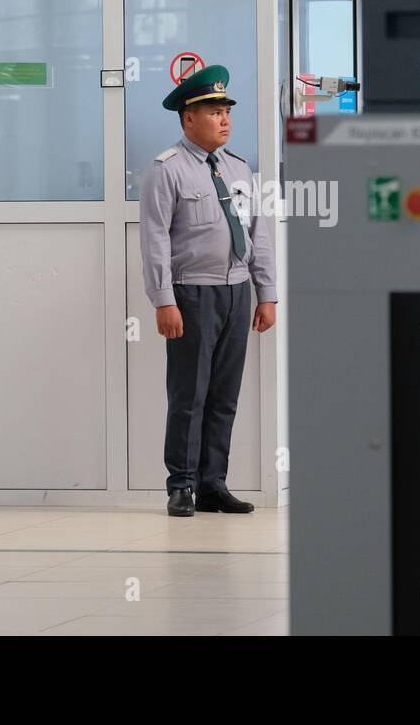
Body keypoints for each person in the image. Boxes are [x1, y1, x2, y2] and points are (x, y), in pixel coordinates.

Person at [139, 65, 278, 517]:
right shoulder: (167, 171)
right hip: (191, 296)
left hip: (237, 294)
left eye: (226, 111)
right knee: (189, 395)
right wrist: (164, 300)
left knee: (224, 395)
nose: (224, 119)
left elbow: (259, 233)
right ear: (187, 119)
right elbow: (155, 238)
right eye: (214, 112)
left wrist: (267, 292)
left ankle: (213, 483)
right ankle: (181, 484)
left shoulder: (239, 169)